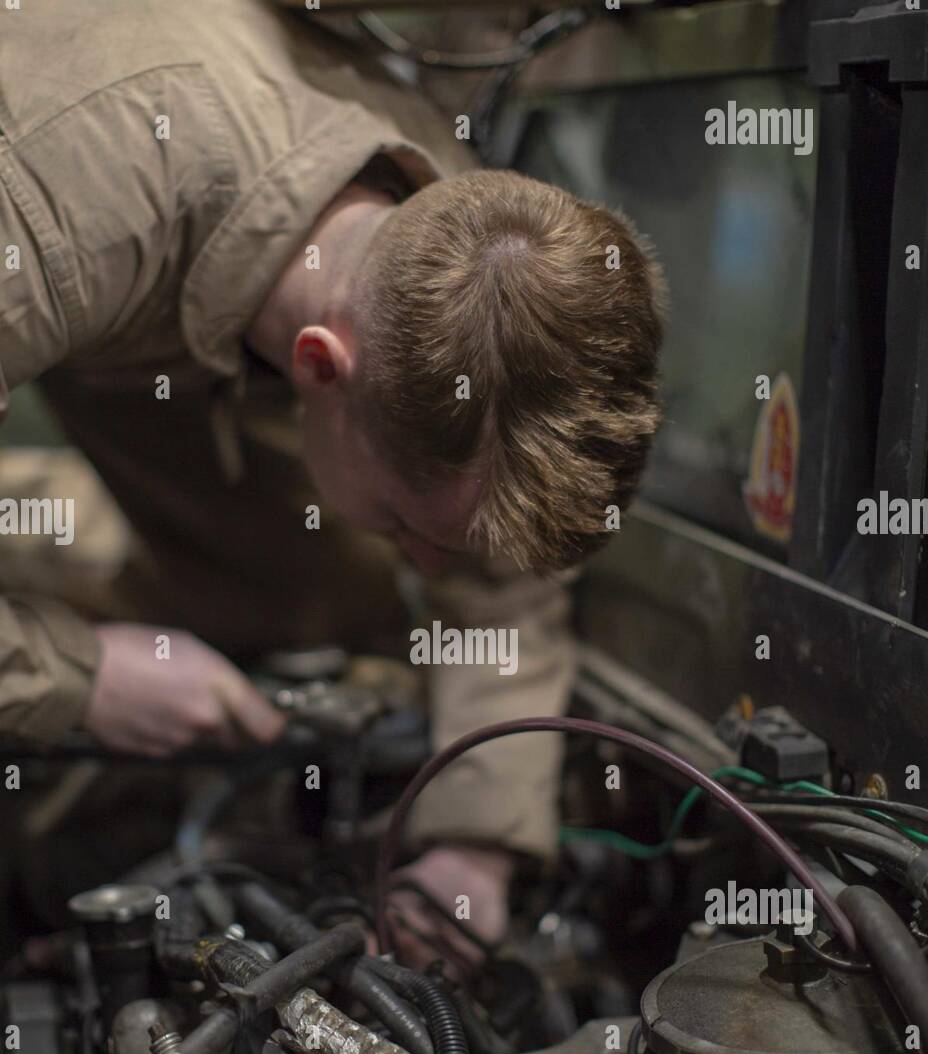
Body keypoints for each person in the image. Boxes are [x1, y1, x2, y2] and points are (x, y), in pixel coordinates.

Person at [0, 0, 663, 964]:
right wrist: (75, 678)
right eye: (407, 524)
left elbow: (499, 574)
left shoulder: (459, 247)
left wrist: (474, 847)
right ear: (319, 365)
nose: (431, 567)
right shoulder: (55, 199)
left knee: (322, 596)